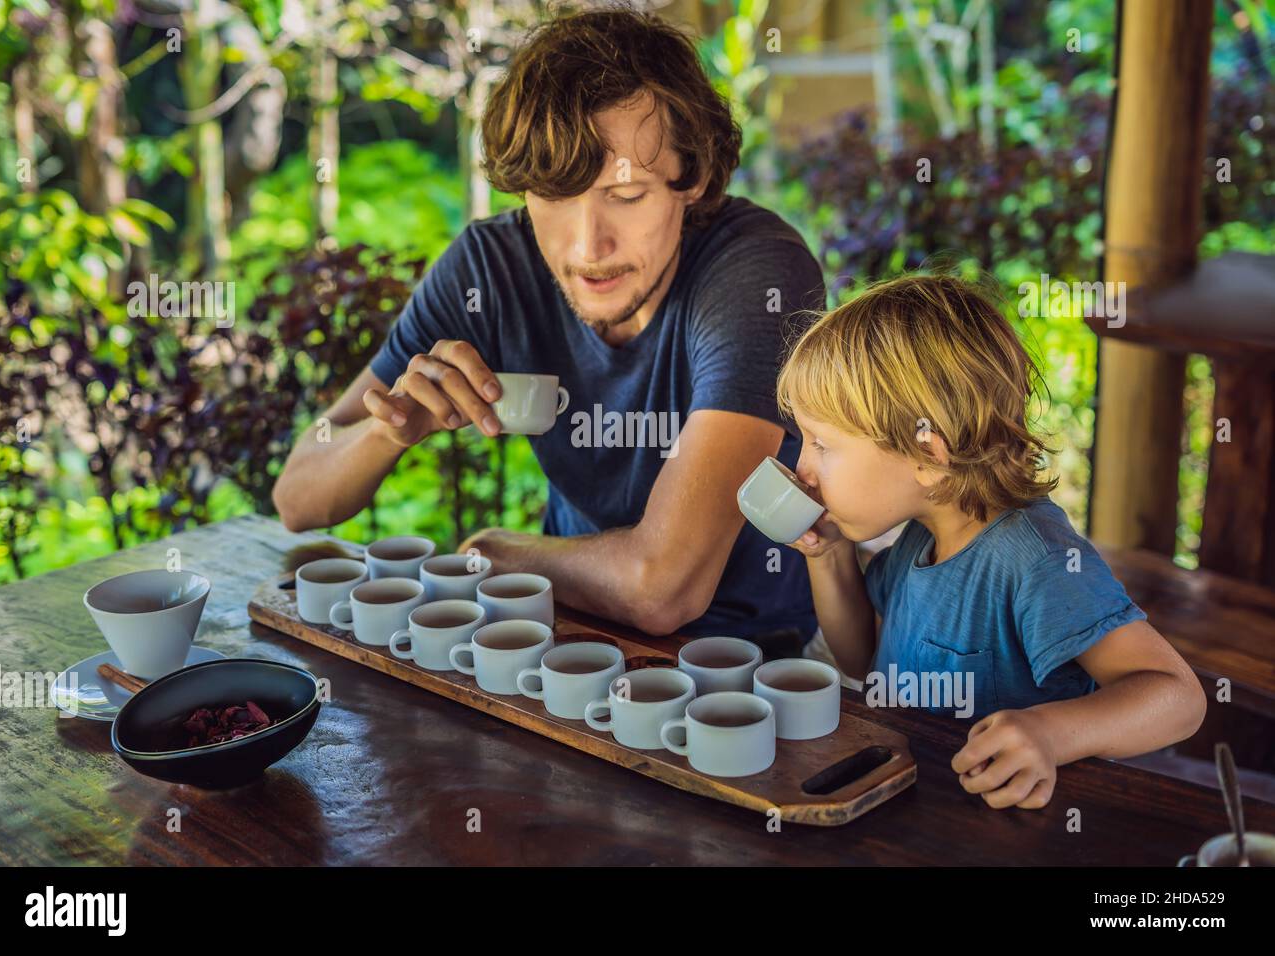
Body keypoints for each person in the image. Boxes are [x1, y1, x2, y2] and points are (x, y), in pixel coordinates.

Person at [273, 8, 823, 645]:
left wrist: (492, 553)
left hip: (746, 666)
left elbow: (663, 588)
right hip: (560, 628)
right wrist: (390, 429)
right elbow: (298, 498)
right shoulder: (489, 269)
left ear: (691, 178)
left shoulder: (758, 272)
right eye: (556, 196)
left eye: (626, 195)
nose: (589, 246)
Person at [777, 274, 1207, 809]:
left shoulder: (1034, 557)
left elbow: (1178, 696)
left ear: (929, 457)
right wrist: (830, 555)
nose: (801, 467)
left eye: (822, 443)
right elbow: (864, 661)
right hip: (921, 807)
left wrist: (1049, 733)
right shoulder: (918, 540)